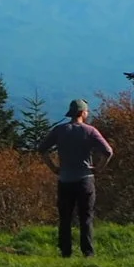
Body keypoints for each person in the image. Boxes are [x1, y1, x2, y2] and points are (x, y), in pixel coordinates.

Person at [36, 99, 113, 258]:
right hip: (85, 179)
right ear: (83, 113)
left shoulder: (59, 130)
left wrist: (53, 168)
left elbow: (42, 149)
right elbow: (108, 152)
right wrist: (98, 168)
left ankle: (65, 252)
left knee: (65, 218)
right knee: (86, 217)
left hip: (65, 179)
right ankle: (88, 253)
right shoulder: (90, 131)